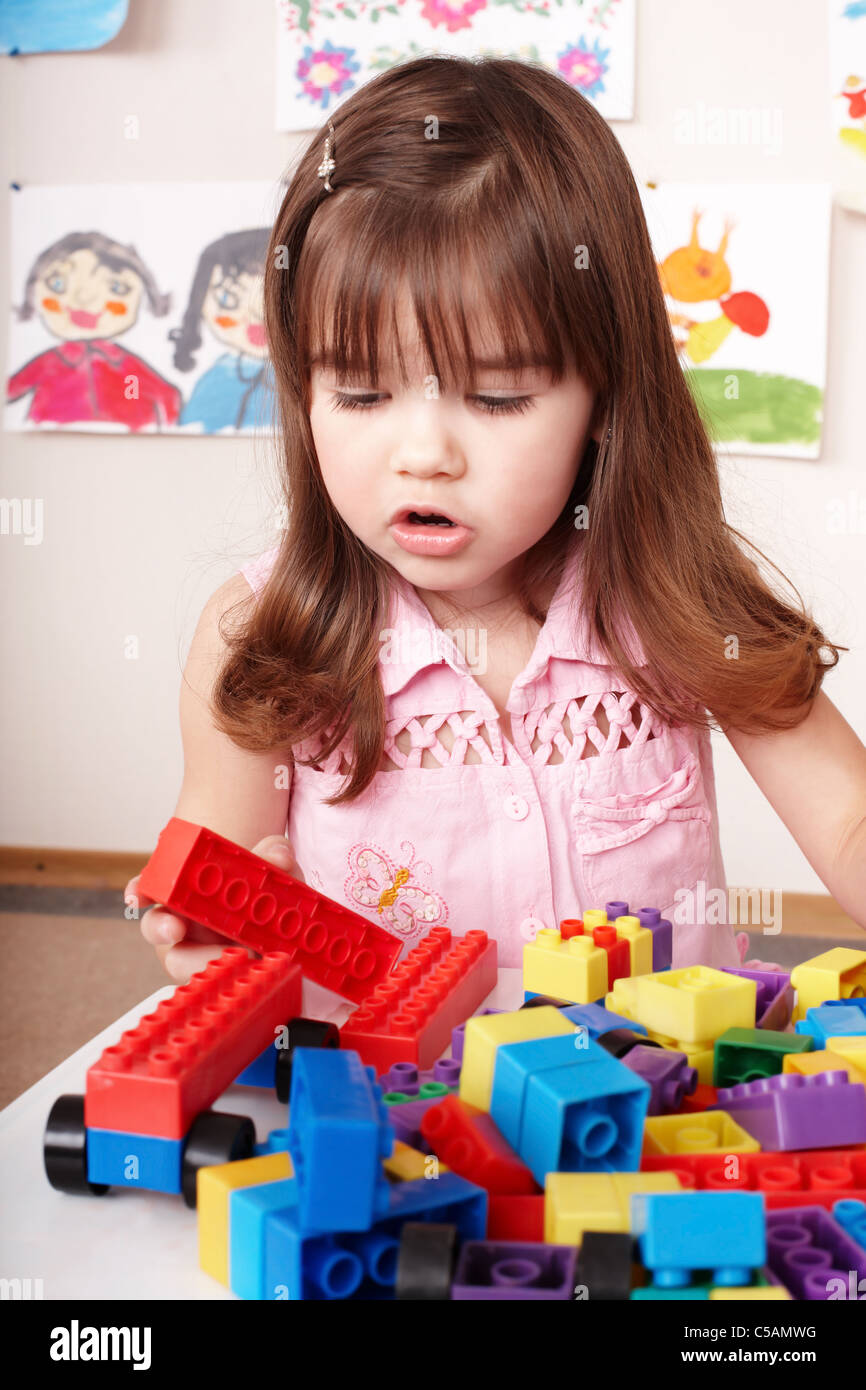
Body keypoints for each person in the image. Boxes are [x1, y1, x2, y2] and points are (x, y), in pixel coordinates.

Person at [128, 55, 866, 984]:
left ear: (605, 394)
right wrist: (212, 934)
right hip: (389, 1116)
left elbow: (848, 818)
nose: (425, 453)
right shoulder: (258, 636)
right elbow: (214, 884)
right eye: (359, 393)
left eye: (500, 396)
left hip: (650, 1105)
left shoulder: (678, 596)